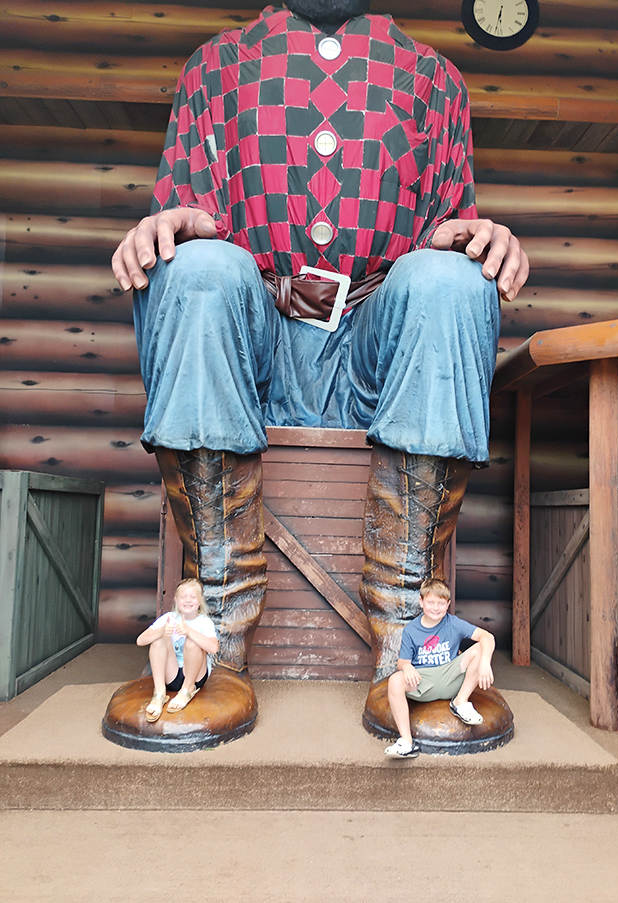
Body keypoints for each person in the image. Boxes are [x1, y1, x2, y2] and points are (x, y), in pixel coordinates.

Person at [111, 1, 529, 741]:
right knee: (196, 269)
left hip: (375, 349)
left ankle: (409, 637)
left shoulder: (436, 80)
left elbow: (446, 238)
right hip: (256, 343)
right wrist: (164, 227)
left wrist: (476, 242)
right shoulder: (215, 66)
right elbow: (187, 221)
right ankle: (213, 635)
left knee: (451, 283)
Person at [384, 578, 495, 758]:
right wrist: (407, 667)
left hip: (450, 676)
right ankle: (406, 742)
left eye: (441, 603)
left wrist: (484, 663)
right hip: (423, 681)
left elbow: (487, 636)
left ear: (448, 604)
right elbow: (402, 661)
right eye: (431, 602)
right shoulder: (411, 630)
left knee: (480, 647)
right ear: (421, 602)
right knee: (395, 680)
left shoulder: (453, 623)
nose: (436, 608)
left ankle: (460, 702)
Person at [136, 578, 219, 722]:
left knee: (193, 643)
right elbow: (140, 641)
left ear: (199, 601)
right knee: (158, 640)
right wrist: (161, 631)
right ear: (176, 600)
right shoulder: (168, 618)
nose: (188, 600)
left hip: (194, 678)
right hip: (172, 675)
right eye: (183, 597)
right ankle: (160, 693)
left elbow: (213, 648)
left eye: (193, 597)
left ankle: (186, 691)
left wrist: (188, 631)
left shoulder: (204, 622)